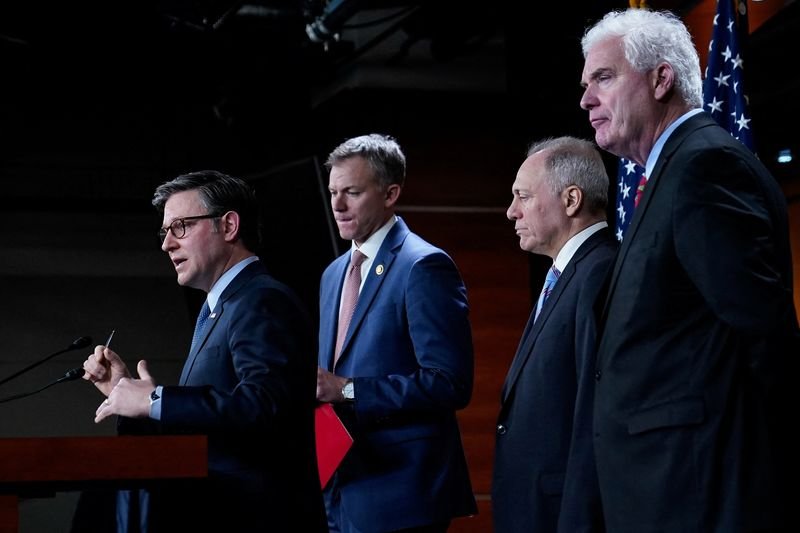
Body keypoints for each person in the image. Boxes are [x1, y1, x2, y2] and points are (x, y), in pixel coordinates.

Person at [580, 8, 798, 532]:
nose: (586, 99)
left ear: (661, 78)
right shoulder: (668, 174)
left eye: (603, 78)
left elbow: (764, 338)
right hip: (664, 487)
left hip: (698, 493)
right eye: (586, 83)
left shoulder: (703, 167)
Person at [81, 171, 326, 532]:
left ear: (228, 226)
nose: (167, 244)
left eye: (180, 226)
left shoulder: (261, 299)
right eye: (164, 232)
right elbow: (206, 431)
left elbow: (264, 405)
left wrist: (155, 400)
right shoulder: (220, 308)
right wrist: (132, 397)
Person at [315, 133, 477, 532]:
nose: (337, 205)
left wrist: (348, 389)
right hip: (340, 484)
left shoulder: (424, 266)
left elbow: (449, 383)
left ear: (390, 194)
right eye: (334, 191)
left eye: (351, 192)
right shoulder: (333, 273)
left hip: (402, 493)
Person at [492, 136, 615, 533]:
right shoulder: (564, 274)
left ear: (571, 200)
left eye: (523, 197)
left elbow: (592, 415)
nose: (511, 212)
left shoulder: (599, 274)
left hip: (563, 515)